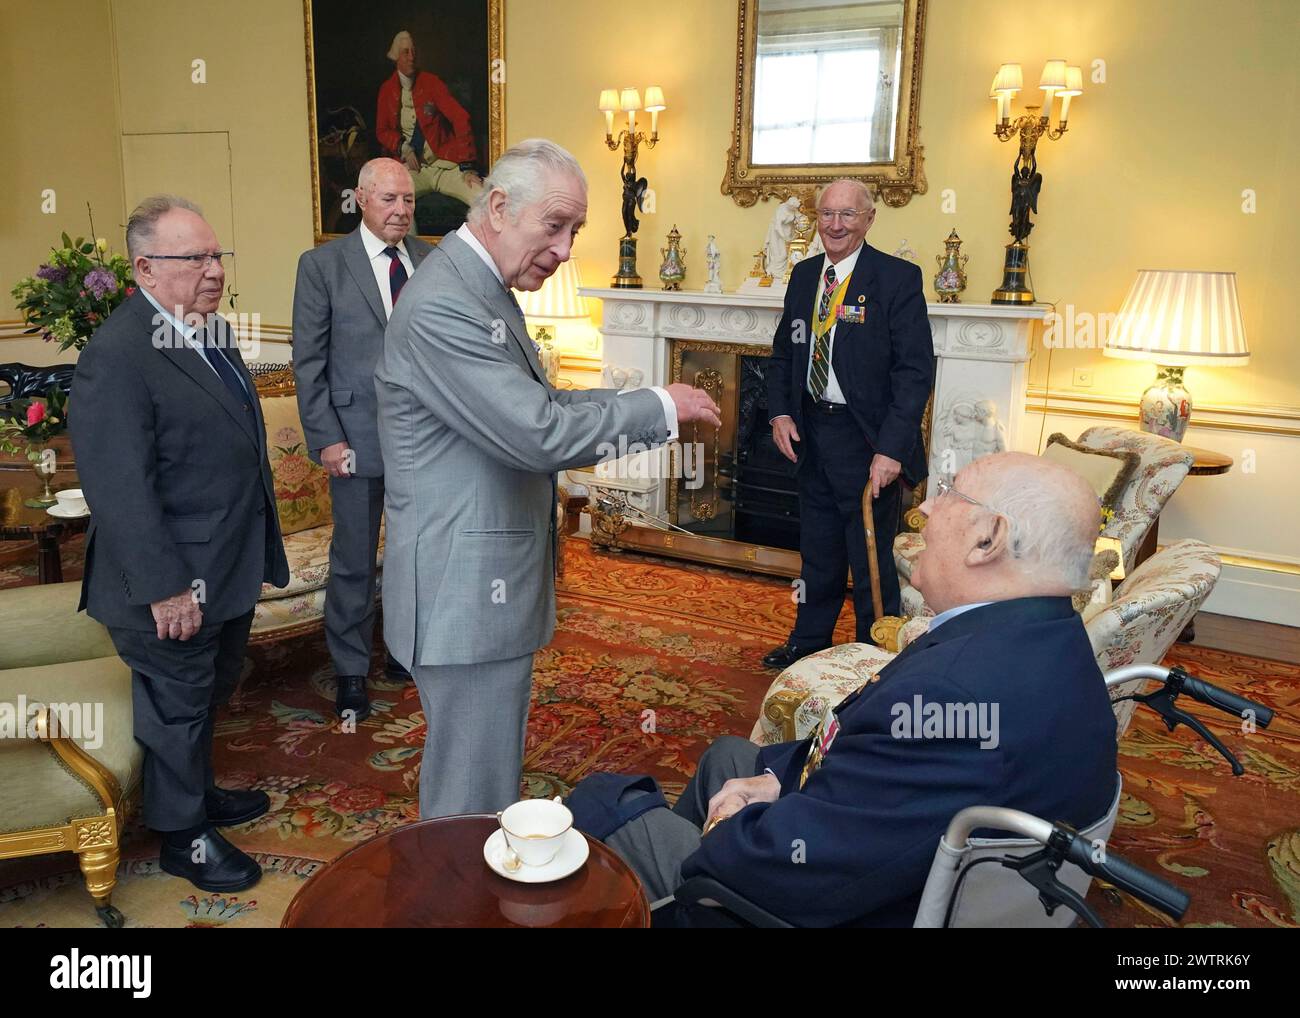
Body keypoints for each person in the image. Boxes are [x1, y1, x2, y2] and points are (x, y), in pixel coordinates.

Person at [568, 452, 1118, 926]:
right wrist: (774, 782)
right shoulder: (1049, 637)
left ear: (987, 537)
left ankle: (680, 905)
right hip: (885, 854)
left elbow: (797, 871)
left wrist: (729, 830)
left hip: (826, 907)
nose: (924, 507)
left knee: (605, 802)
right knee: (733, 760)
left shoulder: (952, 697)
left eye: (949, 492)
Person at [374, 139, 720, 818]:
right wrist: (656, 409)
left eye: (576, 231)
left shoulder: (479, 288)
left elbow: (549, 406)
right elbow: (538, 433)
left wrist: (655, 404)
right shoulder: (447, 305)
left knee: (485, 783)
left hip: (480, 590)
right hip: (461, 592)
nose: (565, 250)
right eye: (555, 226)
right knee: (467, 800)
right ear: (498, 207)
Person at [70, 195, 289, 892]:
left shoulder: (212, 332)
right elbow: (119, 487)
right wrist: (165, 586)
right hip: (168, 579)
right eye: (193, 258)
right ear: (144, 269)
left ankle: (195, 793)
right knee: (177, 700)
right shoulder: (117, 354)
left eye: (216, 255)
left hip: (223, 565)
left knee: (210, 688)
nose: (213, 270)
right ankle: (182, 837)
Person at [763, 178, 935, 669]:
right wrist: (780, 412)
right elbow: (782, 354)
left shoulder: (897, 279)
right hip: (812, 434)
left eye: (847, 215)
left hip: (868, 441)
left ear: (869, 219)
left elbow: (914, 372)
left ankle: (874, 652)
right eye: (826, 215)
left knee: (870, 555)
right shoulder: (802, 276)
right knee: (817, 548)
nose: (835, 225)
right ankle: (808, 640)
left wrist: (892, 448)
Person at [292, 158, 433, 720]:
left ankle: (402, 650)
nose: (401, 210)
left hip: (424, 441)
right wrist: (327, 438)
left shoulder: (431, 260)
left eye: (409, 201)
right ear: (360, 200)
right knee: (353, 559)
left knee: (411, 554)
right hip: (353, 440)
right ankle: (350, 668)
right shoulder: (323, 265)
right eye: (389, 200)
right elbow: (309, 362)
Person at [375, 30, 482, 208]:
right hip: (413, 170)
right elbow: (382, 131)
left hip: (444, 166)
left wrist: (468, 166)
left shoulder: (431, 82)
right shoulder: (386, 90)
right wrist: (403, 147)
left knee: (482, 199)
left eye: (414, 52)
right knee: (392, 207)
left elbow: (460, 118)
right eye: (406, 52)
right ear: (396, 57)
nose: (412, 57)